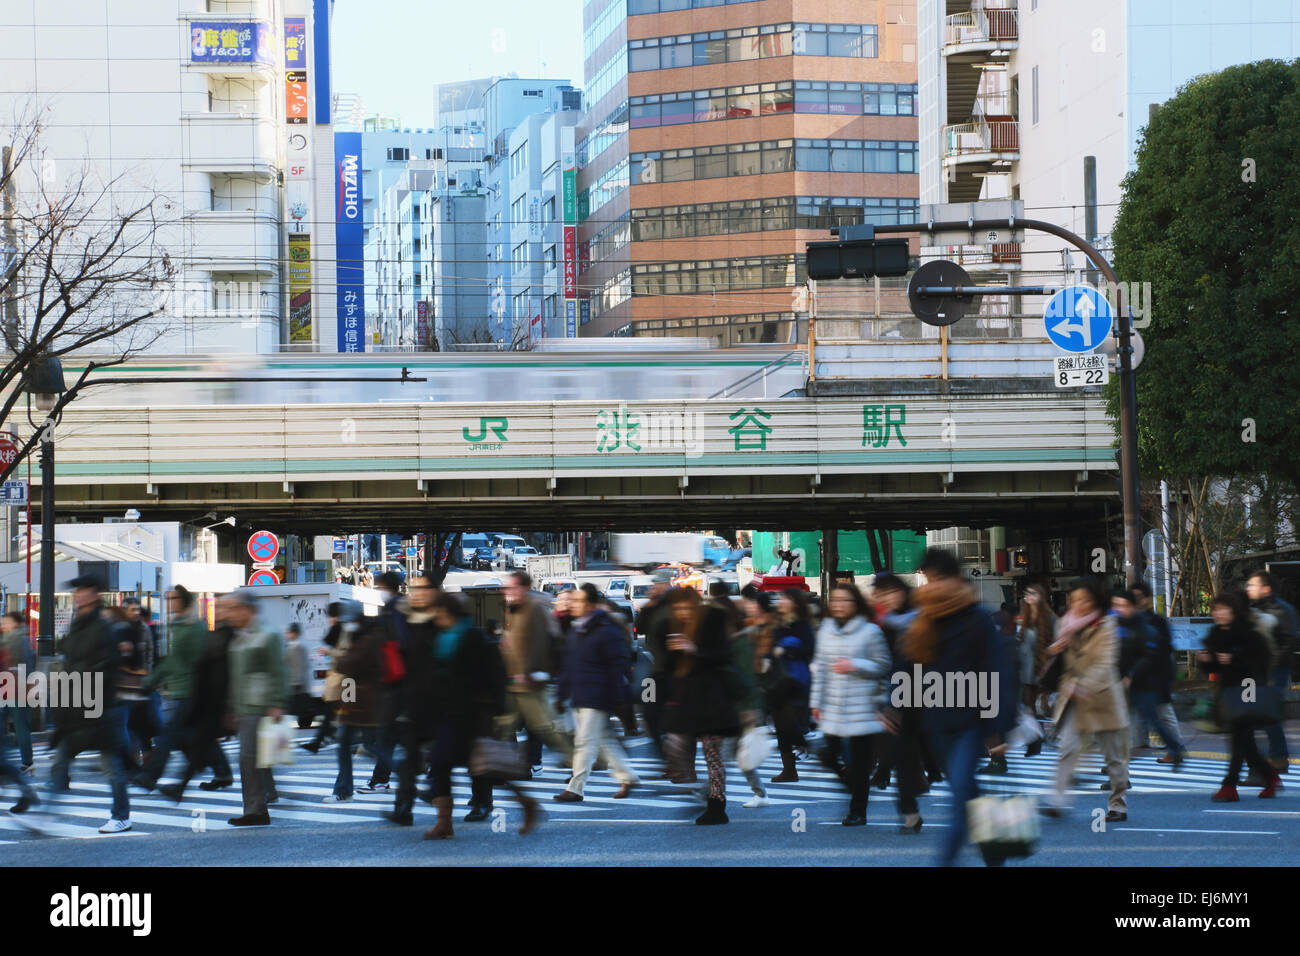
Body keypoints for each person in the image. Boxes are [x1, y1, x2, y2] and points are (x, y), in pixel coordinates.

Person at [899, 550, 1015, 863]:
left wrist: (996, 727)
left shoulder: (976, 618)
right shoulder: (923, 618)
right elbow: (910, 670)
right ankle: (996, 855)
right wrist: (895, 705)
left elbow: (995, 672)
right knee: (969, 796)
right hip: (936, 723)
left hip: (971, 723)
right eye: (928, 578)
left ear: (953, 579)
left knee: (961, 798)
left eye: (938, 578)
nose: (932, 585)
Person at [423, 591, 541, 839]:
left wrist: (501, 713)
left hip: (475, 716)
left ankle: (526, 803)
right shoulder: (440, 636)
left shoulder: (474, 637)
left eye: (439, 612)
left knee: (487, 768)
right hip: (449, 714)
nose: (435, 616)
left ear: (449, 612)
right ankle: (444, 822)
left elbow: (495, 677)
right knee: (441, 763)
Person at [1040, 576, 1131, 823]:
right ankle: (1057, 801)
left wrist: (1085, 685)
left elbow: (1106, 662)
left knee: (1113, 756)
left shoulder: (1107, 624)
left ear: (1096, 601)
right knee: (1066, 750)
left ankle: (1118, 804)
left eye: (1085, 599)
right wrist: (1055, 650)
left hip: (1102, 698)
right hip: (1073, 697)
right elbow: (1061, 662)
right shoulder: (1065, 624)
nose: (1079, 604)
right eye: (1075, 599)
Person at [48, 575, 132, 833]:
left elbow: (106, 666)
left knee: (111, 766)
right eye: (77, 591)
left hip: (99, 707)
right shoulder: (77, 626)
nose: (78, 595)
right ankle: (44, 814)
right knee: (61, 761)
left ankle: (121, 816)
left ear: (95, 595)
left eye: (83, 591)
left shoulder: (101, 627)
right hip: (77, 705)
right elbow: (71, 664)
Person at [810, 583, 890, 827]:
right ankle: (853, 785)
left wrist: (855, 665)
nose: (838, 605)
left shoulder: (870, 631)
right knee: (828, 754)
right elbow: (820, 668)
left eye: (845, 600)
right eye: (834, 600)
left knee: (860, 762)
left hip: (863, 707)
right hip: (833, 705)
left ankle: (858, 811)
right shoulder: (825, 630)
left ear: (856, 604)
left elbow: (883, 665)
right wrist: (816, 702)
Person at [553, 584, 640, 802]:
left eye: (579, 601)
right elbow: (568, 664)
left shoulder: (605, 629)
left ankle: (576, 788)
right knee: (603, 740)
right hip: (581, 694)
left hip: (597, 695)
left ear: (590, 605)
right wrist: (562, 694)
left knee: (585, 742)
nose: (574, 605)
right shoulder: (577, 628)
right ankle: (628, 777)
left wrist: (614, 696)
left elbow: (618, 664)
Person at [660, 586, 737, 824]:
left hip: (712, 701)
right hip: (688, 702)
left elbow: (723, 656)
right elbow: (669, 667)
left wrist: (694, 650)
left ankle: (717, 805)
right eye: (678, 608)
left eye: (686, 607)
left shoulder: (712, 621)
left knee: (712, 756)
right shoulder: (673, 626)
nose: (682, 612)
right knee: (676, 746)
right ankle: (703, 792)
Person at [1201, 590, 1283, 801]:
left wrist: (1234, 658)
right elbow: (1210, 668)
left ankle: (1229, 786)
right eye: (1216, 610)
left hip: (1248, 686)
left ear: (1234, 611)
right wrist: (1206, 660)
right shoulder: (1214, 634)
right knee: (1244, 740)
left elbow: (1260, 663)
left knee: (1239, 736)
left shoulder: (1249, 632)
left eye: (1223, 610)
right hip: (1227, 691)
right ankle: (1269, 775)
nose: (1218, 614)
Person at [158, 595, 236, 801]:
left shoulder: (229, 636)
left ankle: (263, 791)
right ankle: (187, 785)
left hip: (221, 703)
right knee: (197, 741)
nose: (217, 611)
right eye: (216, 607)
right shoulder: (214, 633)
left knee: (197, 740)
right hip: (206, 699)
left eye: (223, 607)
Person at [133, 586, 208, 790]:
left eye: (173, 598)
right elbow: (171, 661)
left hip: (191, 689)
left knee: (168, 735)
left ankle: (151, 777)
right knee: (181, 736)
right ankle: (218, 766)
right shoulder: (176, 624)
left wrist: (150, 681)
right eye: (167, 599)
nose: (169, 602)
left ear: (183, 600)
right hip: (177, 687)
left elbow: (194, 660)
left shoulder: (194, 626)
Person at [497, 571, 572, 771]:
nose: (507, 592)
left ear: (523, 588)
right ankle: (505, 766)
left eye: (511, 587)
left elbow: (539, 645)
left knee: (543, 728)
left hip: (529, 680)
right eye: (506, 588)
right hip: (514, 681)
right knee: (506, 726)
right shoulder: (512, 610)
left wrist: (530, 672)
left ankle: (575, 758)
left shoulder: (534, 609)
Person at [225, 589, 287, 827]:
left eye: (233, 608)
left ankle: (256, 809)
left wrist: (277, 703)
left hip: (259, 705)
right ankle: (258, 806)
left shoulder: (267, 635)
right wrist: (232, 706)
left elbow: (278, 670)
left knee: (248, 758)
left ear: (246, 609)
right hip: (244, 705)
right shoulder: (241, 636)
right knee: (253, 759)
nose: (230, 613)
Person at [1114, 588, 1184, 767]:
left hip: (1147, 681)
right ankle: (1173, 748)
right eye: (1116, 605)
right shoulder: (1119, 624)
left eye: (1123, 605)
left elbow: (1153, 654)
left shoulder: (1148, 624)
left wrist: (1131, 674)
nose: (1119, 608)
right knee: (1138, 720)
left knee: (1156, 717)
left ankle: (1174, 748)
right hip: (1129, 681)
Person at [324, 601, 384, 803]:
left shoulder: (366, 636)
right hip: (356, 698)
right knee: (350, 744)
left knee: (367, 744)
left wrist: (340, 659)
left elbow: (350, 664)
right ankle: (343, 790)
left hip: (364, 700)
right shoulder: (358, 633)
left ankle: (406, 766)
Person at [1246, 571, 1296, 778]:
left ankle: (1277, 758)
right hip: (1252, 674)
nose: (1248, 588)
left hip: (1274, 671)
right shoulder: (1254, 609)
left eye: (1252, 585)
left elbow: (1285, 645)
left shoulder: (1281, 611)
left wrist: (1271, 673)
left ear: (1266, 589)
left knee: (1267, 714)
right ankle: (1271, 759)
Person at [771, 587, 816, 778]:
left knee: (790, 722)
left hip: (798, 680)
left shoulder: (803, 625)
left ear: (795, 603)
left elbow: (809, 650)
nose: (780, 601)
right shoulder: (778, 625)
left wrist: (787, 650)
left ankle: (805, 745)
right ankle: (789, 769)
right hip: (779, 680)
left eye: (784, 598)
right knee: (781, 726)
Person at [301, 603, 342, 753]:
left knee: (347, 715)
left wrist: (329, 653)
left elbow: (347, 655)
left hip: (347, 681)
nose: (328, 620)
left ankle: (321, 741)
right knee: (332, 713)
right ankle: (318, 742)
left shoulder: (344, 631)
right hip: (342, 680)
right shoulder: (341, 630)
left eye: (330, 616)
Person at [0, 611, 35, 774]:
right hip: (17, 687)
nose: (3, 624)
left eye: (6, 622)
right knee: (20, 725)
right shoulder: (24, 639)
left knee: (18, 726)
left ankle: (25, 762)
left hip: (12, 687)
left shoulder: (12, 638)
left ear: (15, 623)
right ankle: (27, 762)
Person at [1021, 584, 1057, 718]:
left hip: (1042, 661)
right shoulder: (1025, 615)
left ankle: (1043, 714)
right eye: (1027, 593)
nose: (1029, 595)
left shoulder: (1050, 617)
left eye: (1033, 593)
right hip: (1026, 662)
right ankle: (1033, 725)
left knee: (1042, 696)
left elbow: (1057, 639)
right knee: (1028, 700)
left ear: (1041, 597)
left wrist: (1050, 656)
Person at [283, 623, 312, 727]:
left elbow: (298, 666)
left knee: (299, 709)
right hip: (293, 684)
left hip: (296, 685)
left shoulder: (298, 647)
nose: (286, 634)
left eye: (289, 632)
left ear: (295, 633)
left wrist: (296, 682)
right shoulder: (289, 646)